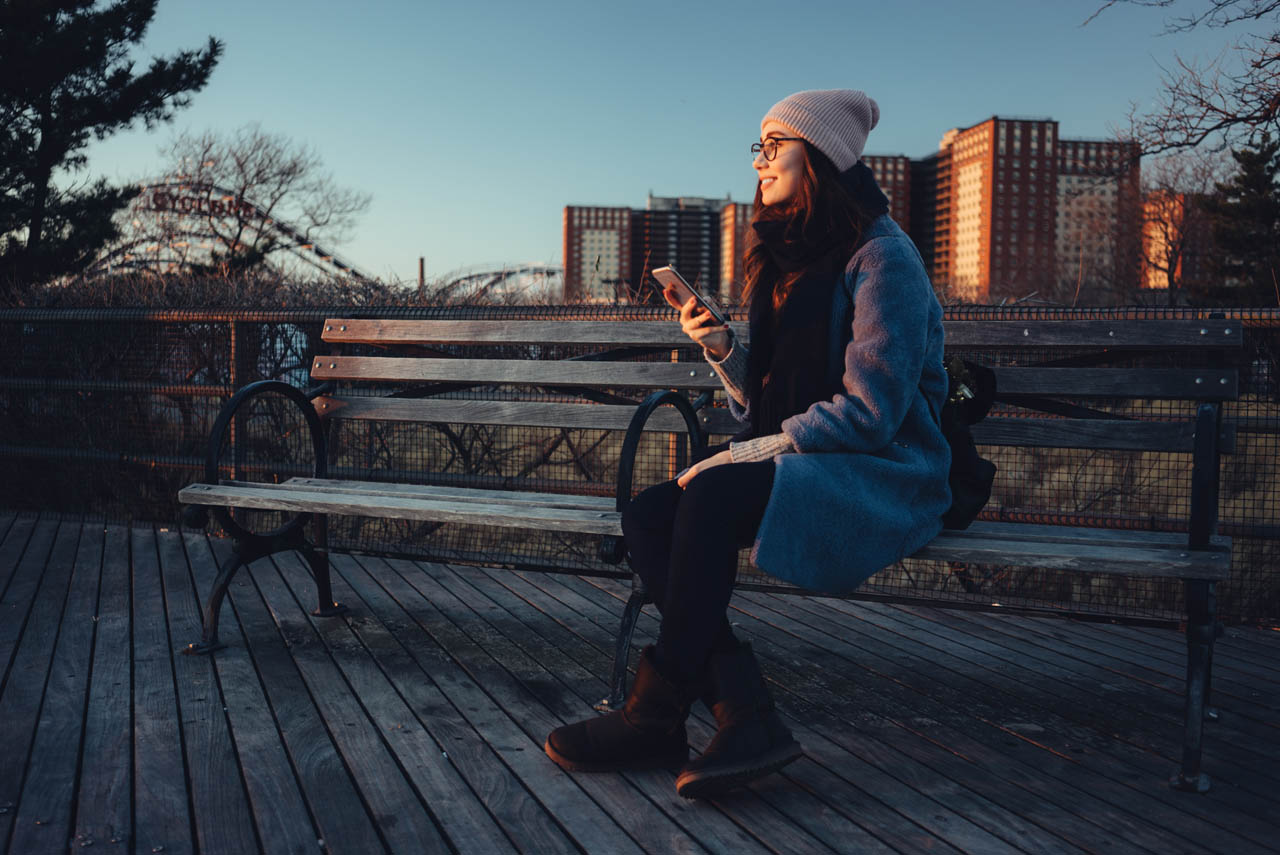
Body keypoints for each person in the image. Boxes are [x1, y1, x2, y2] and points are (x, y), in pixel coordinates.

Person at [544, 89, 951, 799]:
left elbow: (872, 415)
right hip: (817, 461)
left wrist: (745, 455)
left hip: (883, 473)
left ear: (819, 156)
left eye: (774, 146)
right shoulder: (787, 256)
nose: (759, 161)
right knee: (648, 515)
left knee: (708, 490)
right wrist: (727, 351)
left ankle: (654, 714)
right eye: (757, 147)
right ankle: (742, 710)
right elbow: (769, 406)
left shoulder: (886, 260)